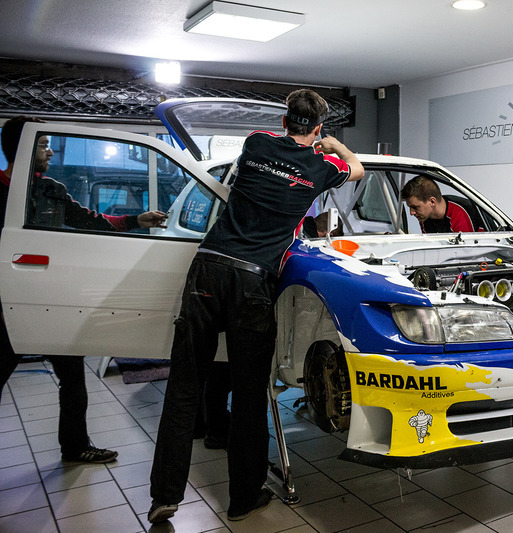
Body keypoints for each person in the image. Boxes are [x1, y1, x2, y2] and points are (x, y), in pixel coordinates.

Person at [148, 88, 364, 524]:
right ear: (318, 129)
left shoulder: (256, 144)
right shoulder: (321, 167)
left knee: (185, 386)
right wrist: (333, 146)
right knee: (249, 396)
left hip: (208, 269)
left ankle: (164, 497)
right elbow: (357, 169)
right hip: (253, 279)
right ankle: (244, 498)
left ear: (284, 121)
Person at [0, 115, 168, 464]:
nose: (50, 152)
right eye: (44, 145)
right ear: (23, 147)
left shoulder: (49, 190)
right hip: (6, 305)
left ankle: (75, 446)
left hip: (46, 301)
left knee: (74, 377)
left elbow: (89, 221)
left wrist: (135, 221)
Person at [400, 175, 474, 233]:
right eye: (410, 207)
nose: (411, 213)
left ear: (432, 202)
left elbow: (466, 247)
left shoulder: (459, 214)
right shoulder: (424, 216)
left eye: (415, 207)